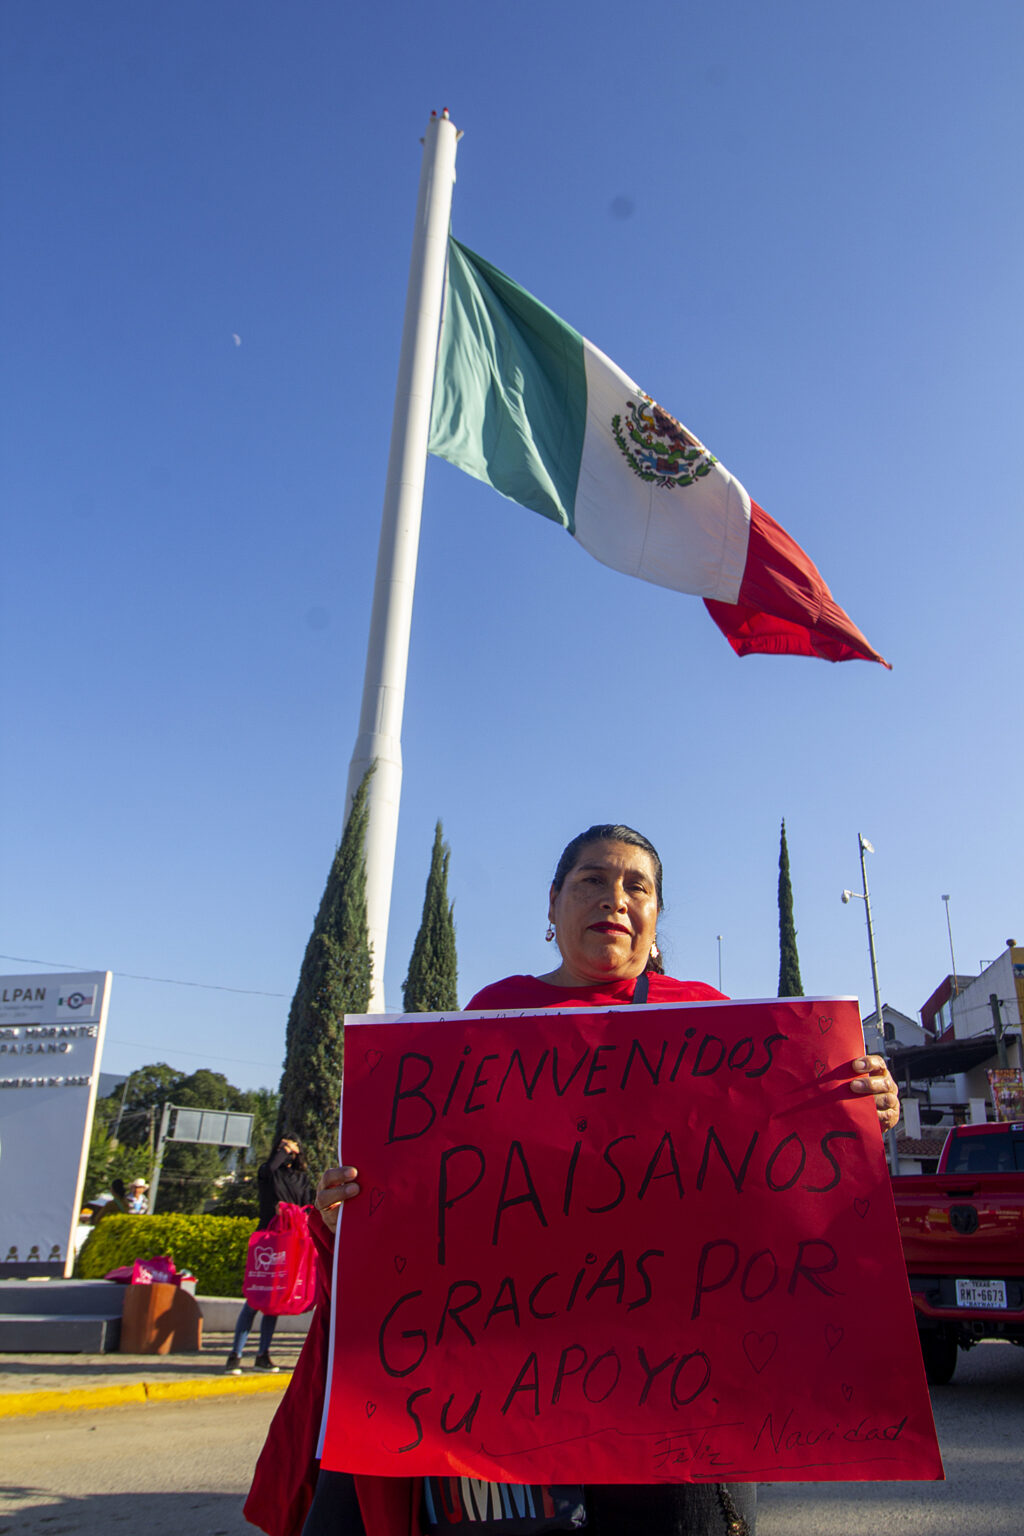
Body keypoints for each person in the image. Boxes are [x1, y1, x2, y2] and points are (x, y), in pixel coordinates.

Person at [246, 825, 900, 1536]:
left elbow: (778, 1198)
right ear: (554, 904)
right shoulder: (489, 1020)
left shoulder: (719, 1025)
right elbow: (440, 1210)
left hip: (687, 1397)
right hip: (513, 1399)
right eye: (591, 880)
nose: (613, 899)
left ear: (655, 914)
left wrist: (857, 1115)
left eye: (636, 886)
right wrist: (355, 1214)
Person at [227, 1135, 313, 1374]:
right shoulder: (268, 1173)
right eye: (282, 1147)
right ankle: (235, 1354)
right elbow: (271, 1167)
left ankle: (263, 1354)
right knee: (255, 1296)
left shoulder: (301, 1179)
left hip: (290, 1242)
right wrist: (285, 1150)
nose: (287, 1151)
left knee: (276, 1299)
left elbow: (309, 1206)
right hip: (267, 1239)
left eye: (291, 1147)